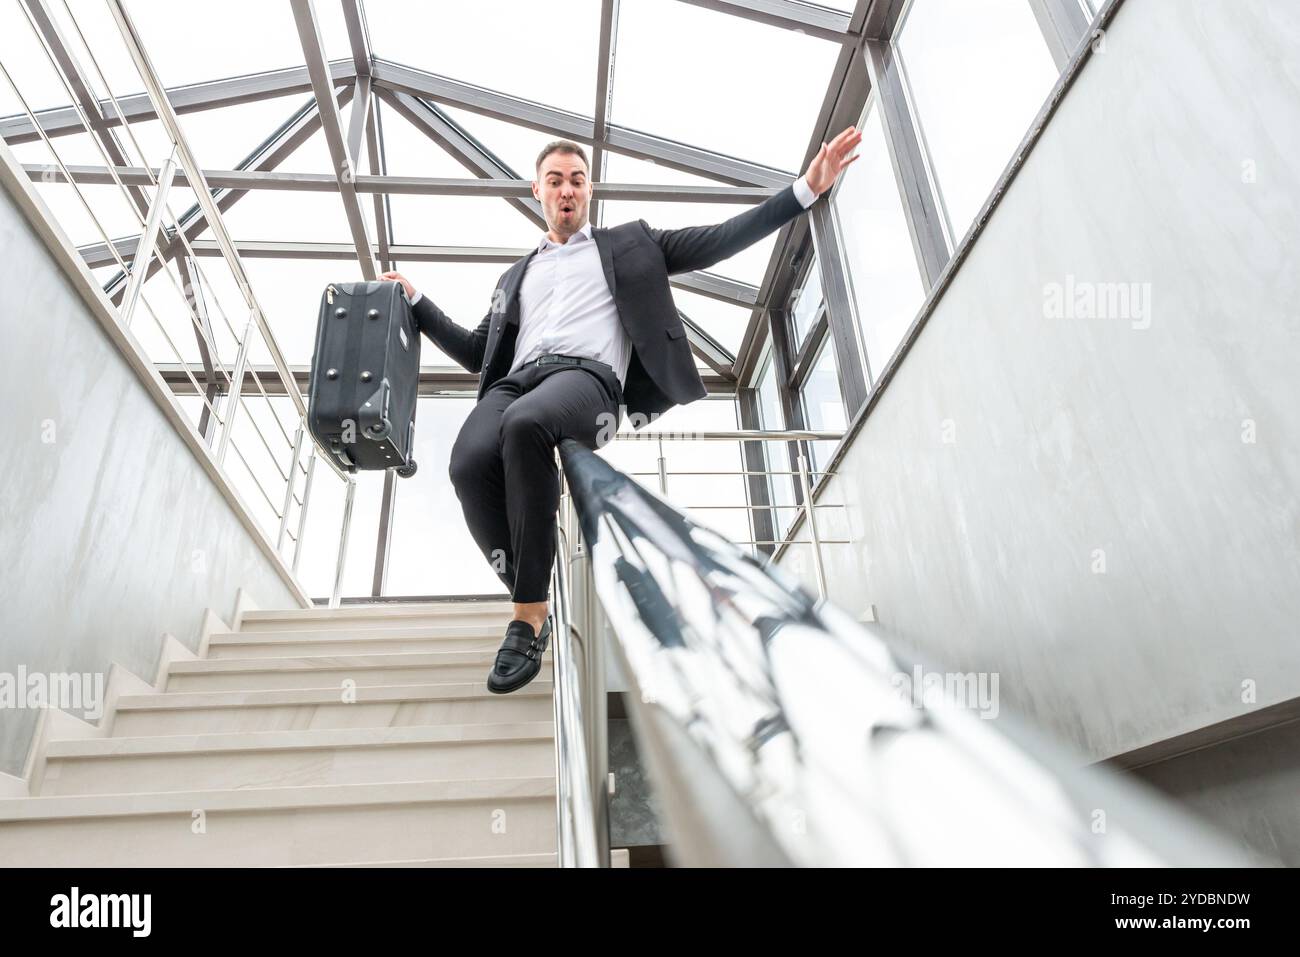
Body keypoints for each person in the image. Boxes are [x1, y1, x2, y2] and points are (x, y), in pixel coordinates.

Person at [383, 127, 862, 694]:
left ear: (589, 190)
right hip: (516, 382)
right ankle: (534, 581)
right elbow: (475, 352)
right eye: (555, 181)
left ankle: (528, 616)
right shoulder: (515, 276)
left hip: (586, 380)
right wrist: (417, 301)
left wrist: (804, 190)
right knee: (467, 463)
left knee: (528, 426)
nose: (567, 190)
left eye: (577, 180)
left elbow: (719, 238)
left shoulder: (633, 244)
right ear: (537, 190)